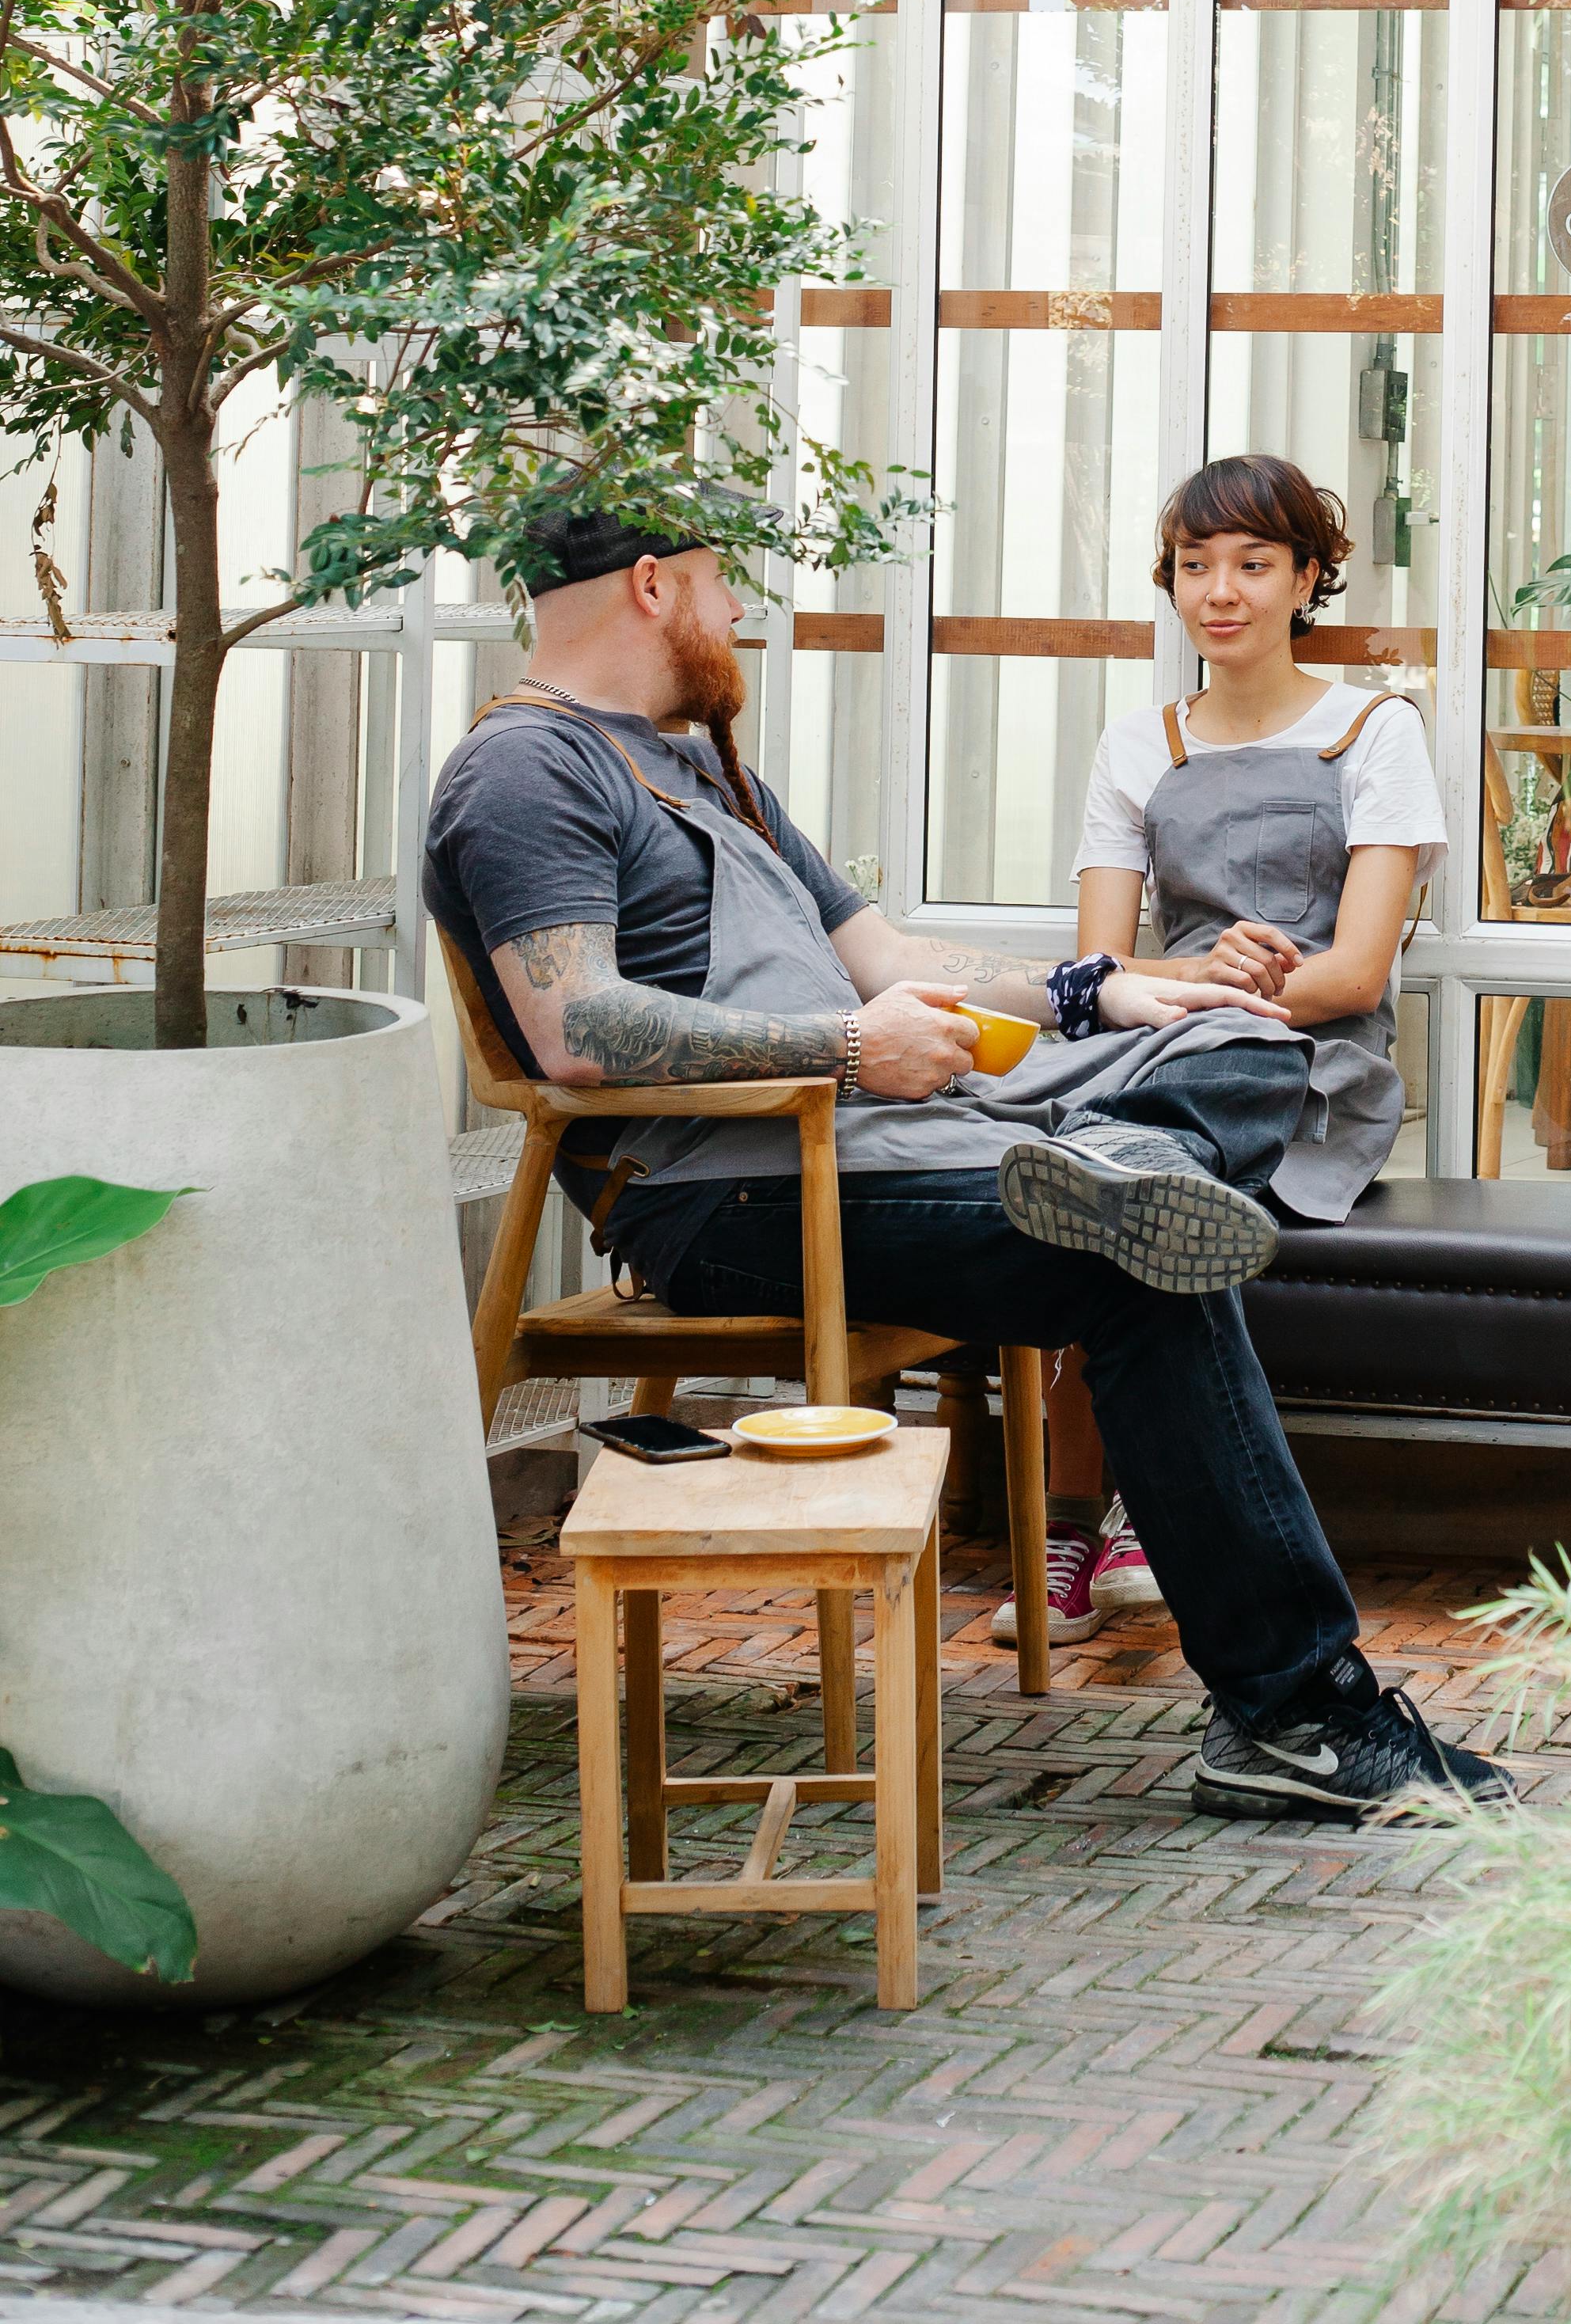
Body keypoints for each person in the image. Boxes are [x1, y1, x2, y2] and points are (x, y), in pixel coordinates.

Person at [423, 510, 1503, 1822]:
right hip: (737, 1186)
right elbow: (574, 1030)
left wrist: (1103, 997)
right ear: (653, 590)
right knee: (1140, 1268)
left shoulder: (705, 772)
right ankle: (1293, 1712)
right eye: (720, 591)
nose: (737, 619)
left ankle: (1123, 1154)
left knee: (1242, 1045)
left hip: (884, 1136)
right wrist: (842, 1046)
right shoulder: (528, 771)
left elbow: (896, 960)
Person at [1016, 456, 1439, 1640]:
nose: (1222, 591)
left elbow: (1355, 971)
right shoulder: (1137, 747)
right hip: (1166, 1034)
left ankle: (1132, 1515)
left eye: (1254, 564)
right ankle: (1068, 1533)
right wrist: (1195, 980)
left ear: (1308, 578)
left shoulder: (1375, 732)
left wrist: (1234, 999)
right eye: (1196, 566)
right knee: (1097, 1179)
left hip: (1311, 1059)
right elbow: (1102, 968)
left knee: (1126, 1173)